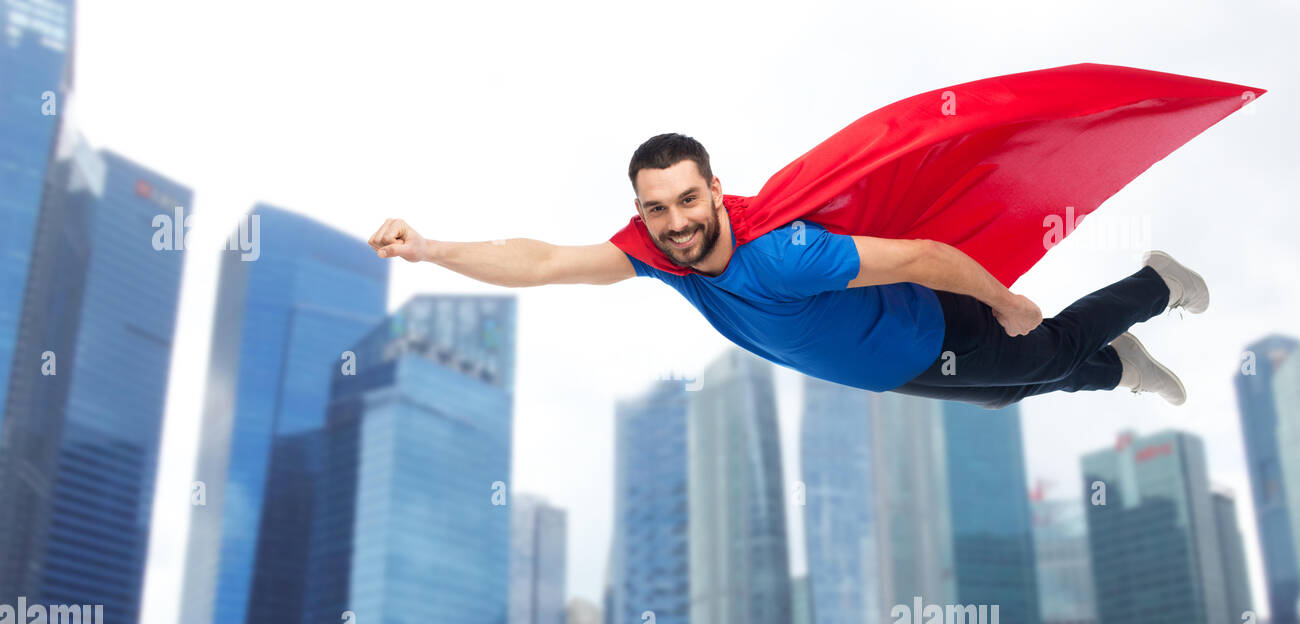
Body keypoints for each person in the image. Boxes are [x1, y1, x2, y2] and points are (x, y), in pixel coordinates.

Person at [368, 134, 1204, 410]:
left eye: (688, 201)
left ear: (715, 190)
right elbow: (543, 260)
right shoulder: (659, 255)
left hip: (932, 325)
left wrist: (1000, 298)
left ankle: (1155, 286)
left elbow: (919, 257)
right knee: (1005, 396)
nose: (676, 222)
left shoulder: (782, 252)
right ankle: (1120, 364)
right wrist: (431, 247)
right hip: (888, 370)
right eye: (657, 208)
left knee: (1044, 355)